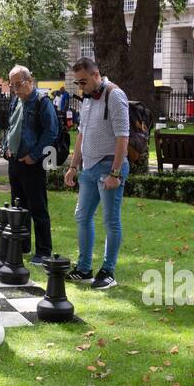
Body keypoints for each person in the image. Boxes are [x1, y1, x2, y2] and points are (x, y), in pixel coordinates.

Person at [62, 58, 129, 291]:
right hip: (88, 168)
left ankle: (108, 271)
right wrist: (73, 166)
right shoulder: (88, 99)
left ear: (96, 75)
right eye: (77, 82)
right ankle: (84, 268)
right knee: (82, 216)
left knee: (111, 220)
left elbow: (123, 137)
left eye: (83, 81)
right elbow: (81, 134)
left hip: (109, 166)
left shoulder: (115, 95)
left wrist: (115, 173)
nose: (80, 86)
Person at [4, 65, 58, 264]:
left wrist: (34, 155)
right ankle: (22, 244)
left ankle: (43, 251)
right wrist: (6, 147)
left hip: (32, 163)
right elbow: (11, 127)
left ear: (30, 81)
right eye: (13, 86)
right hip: (15, 161)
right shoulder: (15, 101)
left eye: (19, 85)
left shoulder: (42, 102)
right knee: (18, 207)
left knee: (38, 208)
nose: (16, 90)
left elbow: (51, 132)